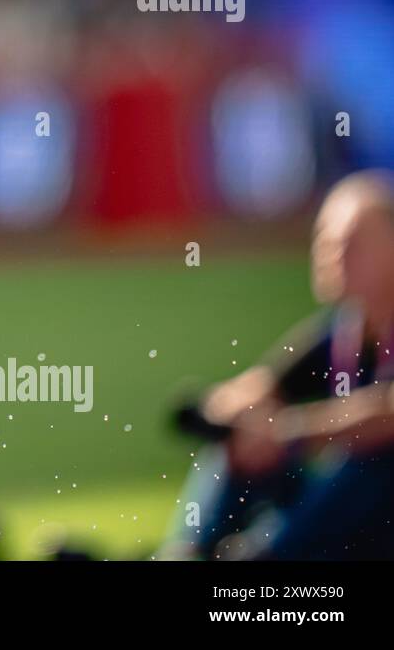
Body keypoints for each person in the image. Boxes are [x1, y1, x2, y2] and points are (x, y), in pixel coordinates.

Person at [160, 170, 394, 559]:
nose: (330, 254)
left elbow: (385, 413)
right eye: (325, 241)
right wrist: (233, 417)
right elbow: (264, 382)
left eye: (351, 243)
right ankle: (187, 552)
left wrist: (289, 432)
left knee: (367, 467)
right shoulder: (342, 329)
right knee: (233, 445)